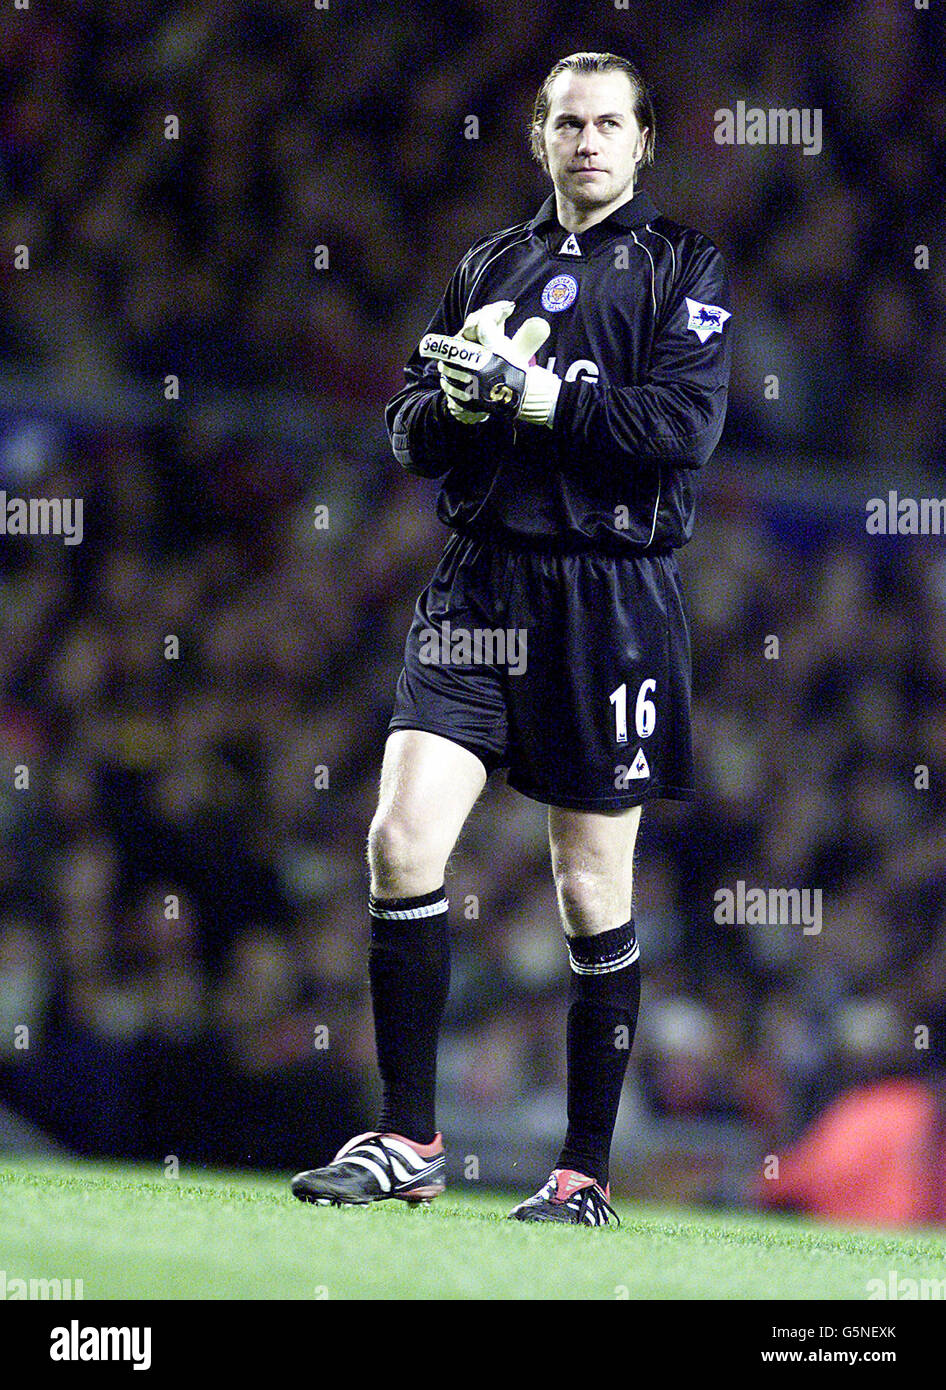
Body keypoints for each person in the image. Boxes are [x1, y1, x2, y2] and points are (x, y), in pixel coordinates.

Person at [292, 51, 732, 1225]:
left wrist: (535, 399)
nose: (588, 142)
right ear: (538, 137)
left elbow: (680, 429)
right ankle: (406, 1135)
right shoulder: (489, 264)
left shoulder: (684, 265)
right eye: (567, 123)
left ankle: (584, 1170)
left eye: (610, 124)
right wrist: (458, 406)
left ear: (643, 142)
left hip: (610, 599)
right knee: (398, 839)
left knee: (589, 887)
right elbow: (403, 432)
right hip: (479, 589)